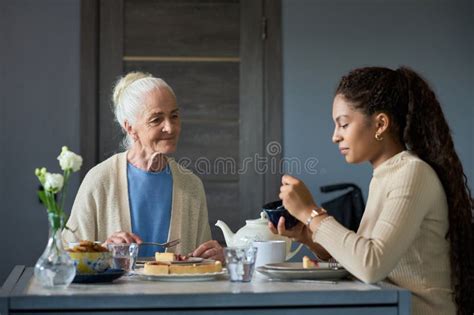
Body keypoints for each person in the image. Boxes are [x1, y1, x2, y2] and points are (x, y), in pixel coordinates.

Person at [270, 67, 473, 315]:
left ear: (380, 124)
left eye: (343, 124)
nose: (335, 136)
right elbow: (362, 264)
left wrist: (312, 213)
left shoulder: (412, 173)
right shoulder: (385, 176)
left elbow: (371, 265)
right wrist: (308, 236)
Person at [63, 72, 223, 262]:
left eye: (174, 116)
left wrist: (215, 257)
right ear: (130, 127)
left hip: (178, 292)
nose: (170, 128)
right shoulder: (99, 180)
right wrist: (102, 250)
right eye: (156, 119)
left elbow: (202, 266)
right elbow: (64, 257)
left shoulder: (191, 185)